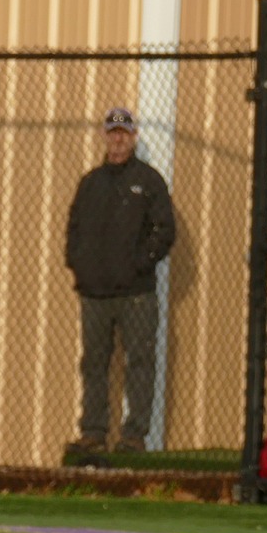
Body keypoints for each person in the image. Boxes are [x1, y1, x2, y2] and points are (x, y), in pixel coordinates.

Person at [63, 107, 176, 462]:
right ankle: (93, 431)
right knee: (94, 362)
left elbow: (165, 231)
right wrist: (79, 265)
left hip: (136, 295)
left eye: (124, 133)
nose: (117, 139)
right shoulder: (91, 183)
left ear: (134, 137)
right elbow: (74, 229)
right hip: (94, 293)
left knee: (140, 361)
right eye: (112, 132)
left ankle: (133, 435)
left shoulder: (150, 181)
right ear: (104, 136)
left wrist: (138, 264)